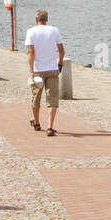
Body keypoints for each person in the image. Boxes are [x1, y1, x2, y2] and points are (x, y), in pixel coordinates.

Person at [24, 8, 65, 136]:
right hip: (52, 68)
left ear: (36, 20)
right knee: (52, 99)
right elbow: (61, 50)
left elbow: (31, 52)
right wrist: (60, 63)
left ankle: (36, 123)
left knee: (36, 98)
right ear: (46, 20)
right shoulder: (54, 30)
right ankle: (50, 127)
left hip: (38, 71)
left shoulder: (31, 32)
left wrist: (31, 70)